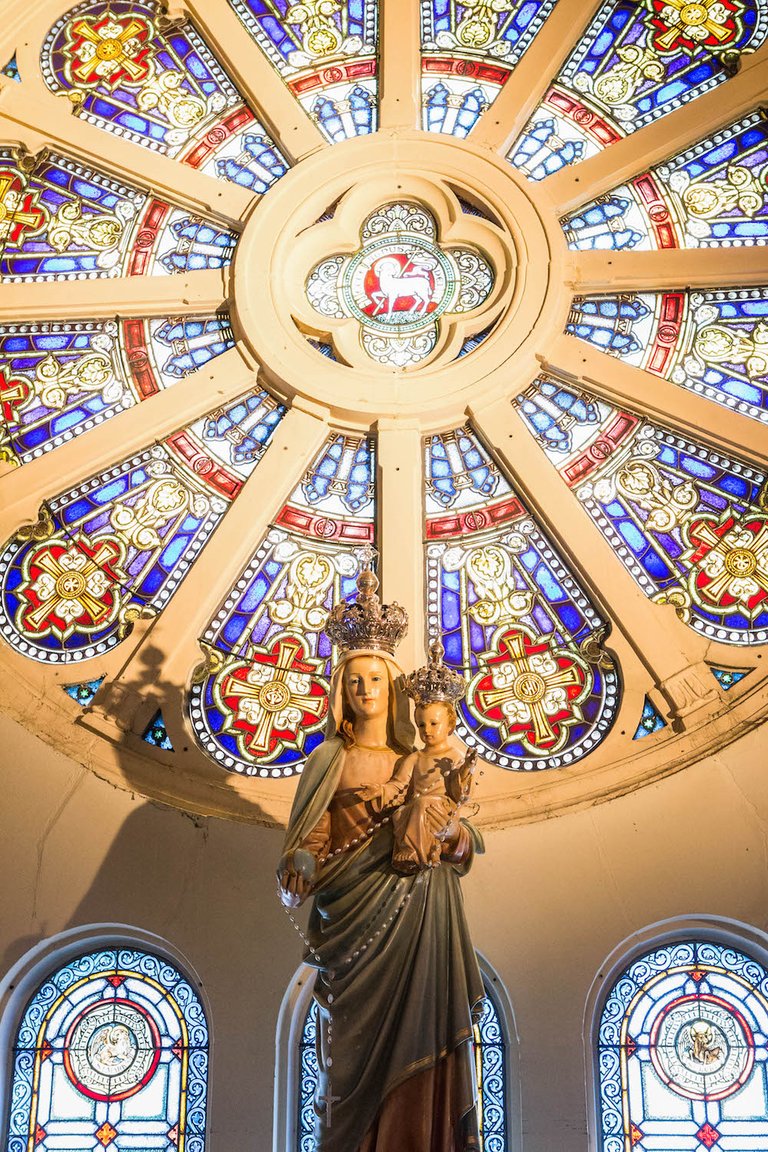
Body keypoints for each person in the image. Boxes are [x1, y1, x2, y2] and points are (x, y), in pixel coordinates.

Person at [277, 559, 484, 1152]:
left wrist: (454, 840)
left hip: (423, 910)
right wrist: (304, 865)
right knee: (350, 1049)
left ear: (394, 685)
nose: (364, 690)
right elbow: (307, 842)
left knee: (427, 1027)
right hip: (352, 922)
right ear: (339, 687)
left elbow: (462, 829)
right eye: (353, 679)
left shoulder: (421, 756)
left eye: (375, 678)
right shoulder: (328, 760)